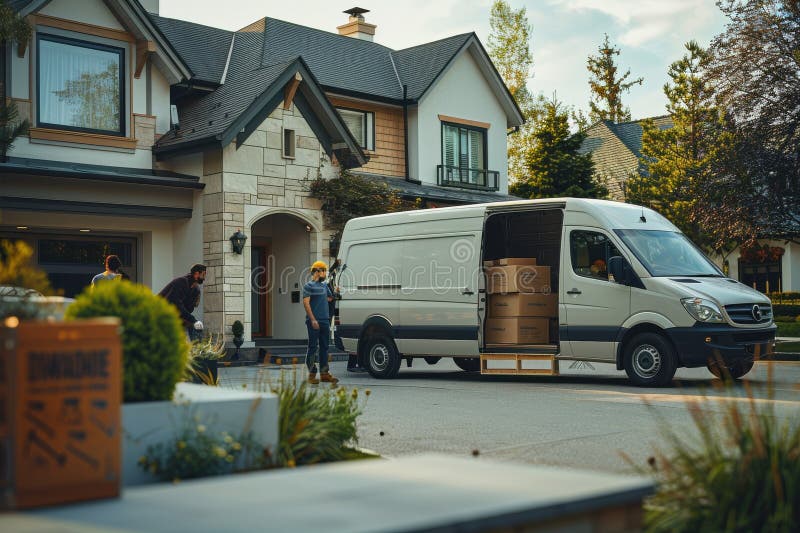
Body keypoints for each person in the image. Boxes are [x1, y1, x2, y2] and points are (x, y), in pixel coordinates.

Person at [303, 260, 338, 384]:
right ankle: (312, 375)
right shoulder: (308, 286)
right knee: (312, 347)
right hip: (313, 321)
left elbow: (329, 298)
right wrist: (312, 319)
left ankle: (324, 374)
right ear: (317, 271)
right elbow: (306, 303)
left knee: (324, 348)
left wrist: (335, 292)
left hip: (325, 321)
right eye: (324, 271)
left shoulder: (324, 286)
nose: (325, 273)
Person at [329, 259, 364, 373]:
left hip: (339, 308)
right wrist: (335, 266)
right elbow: (329, 277)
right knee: (355, 335)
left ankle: (357, 363)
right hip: (331, 311)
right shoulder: (329, 281)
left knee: (359, 336)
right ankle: (352, 364)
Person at [159, 264, 206, 340]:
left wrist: (192, 321)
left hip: (175, 316)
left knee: (196, 326)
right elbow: (176, 303)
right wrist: (193, 320)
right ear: (196, 274)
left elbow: (188, 309)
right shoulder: (181, 282)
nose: (204, 278)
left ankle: (197, 350)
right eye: (203, 274)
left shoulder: (195, 290)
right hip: (160, 313)